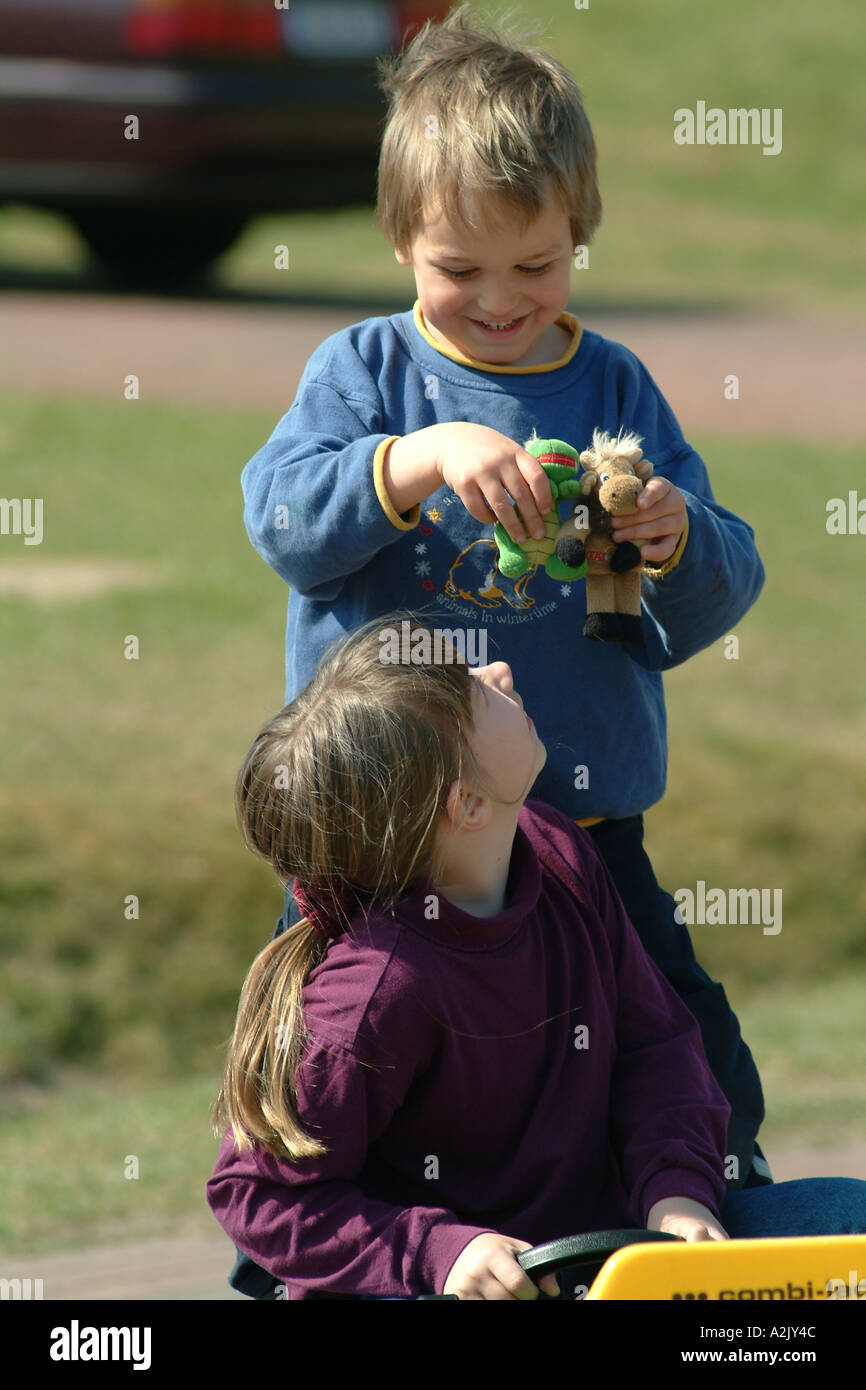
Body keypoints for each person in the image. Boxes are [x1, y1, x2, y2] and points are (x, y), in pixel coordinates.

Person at [240, 2, 768, 1201]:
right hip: (375, 831)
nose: (495, 296)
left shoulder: (611, 385)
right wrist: (415, 462)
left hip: (579, 834)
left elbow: (706, 604)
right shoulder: (365, 374)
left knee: (688, 1057)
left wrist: (673, 538)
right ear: (397, 242)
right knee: (327, 1082)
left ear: (576, 233)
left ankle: (705, 1223)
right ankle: (291, 1267)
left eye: (532, 265)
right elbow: (280, 522)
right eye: (455, 268)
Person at [207, 618, 866, 1301]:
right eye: (475, 694)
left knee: (851, 1221)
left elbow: (656, 1047)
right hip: (450, 1290)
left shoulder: (561, 852)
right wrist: (441, 1253)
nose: (498, 674)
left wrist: (677, 1193)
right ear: (466, 805)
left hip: (610, 1262)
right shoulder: (372, 994)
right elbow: (257, 1199)